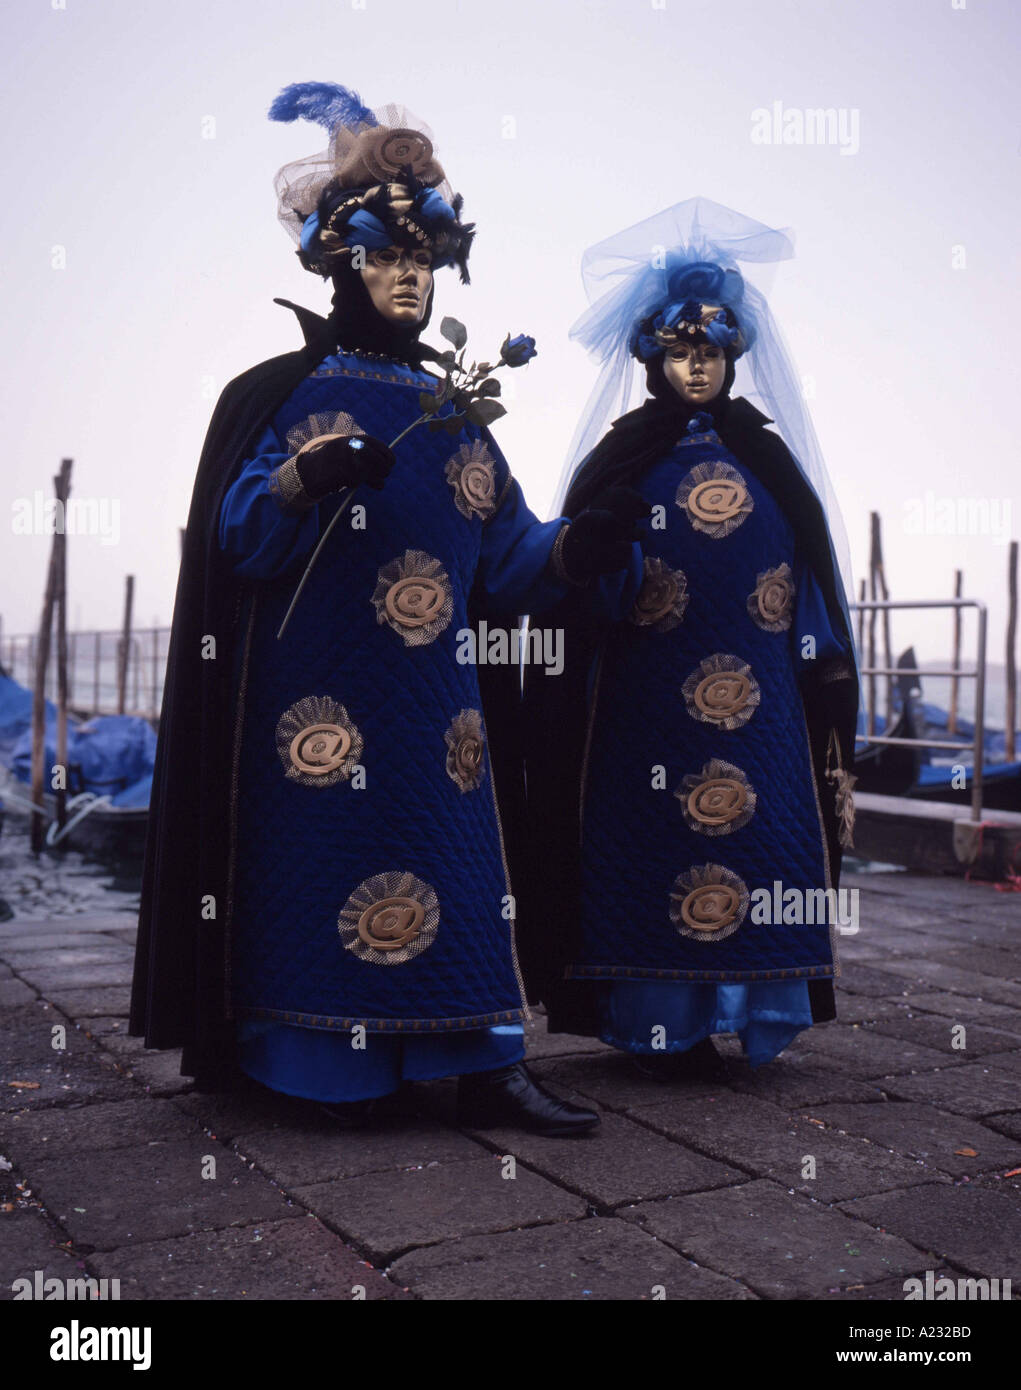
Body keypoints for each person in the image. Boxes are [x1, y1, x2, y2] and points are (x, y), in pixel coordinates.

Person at [130, 82, 642, 1134]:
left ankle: (486, 1062)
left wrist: (577, 549)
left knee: (459, 860)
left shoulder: (458, 411)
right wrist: (302, 479)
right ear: (339, 261)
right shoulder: (276, 394)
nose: (407, 275)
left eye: (422, 258)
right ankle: (313, 1064)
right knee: (320, 867)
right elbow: (238, 536)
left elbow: (509, 557)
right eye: (384, 255)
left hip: (439, 712)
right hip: (308, 703)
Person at [520, 198, 860, 1077]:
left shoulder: (770, 461)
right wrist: (605, 558)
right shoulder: (621, 457)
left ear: (733, 355)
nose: (696, 365)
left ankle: (749, 1010)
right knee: (648, 847)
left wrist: (821, 683)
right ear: (653, 358)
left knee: (760, 847)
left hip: (764, 713)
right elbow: (574, 580)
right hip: (642, 709)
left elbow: (812, 584)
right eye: (679, 350)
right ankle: (656, 1018)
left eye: (708, 350)